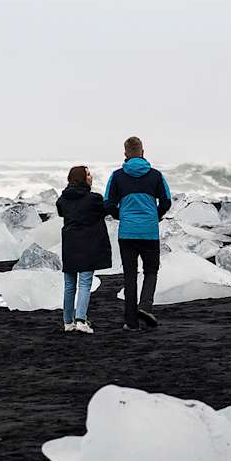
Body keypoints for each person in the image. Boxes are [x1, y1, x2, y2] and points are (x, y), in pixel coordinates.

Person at [104, 136, 171, 331]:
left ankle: (131, 323)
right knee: (151, 271)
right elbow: (166, 201)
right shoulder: (156, 176)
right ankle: (145, 306)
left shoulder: (117, 176)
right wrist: (155, 216)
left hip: (127, 233)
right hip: (149, 232)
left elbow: (108, 203)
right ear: (143, 152)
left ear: (125, 154)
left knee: (130, 275)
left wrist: (122, 216)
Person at [56, 165, 112, 333]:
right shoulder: (94, 199)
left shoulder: (62, 199)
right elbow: (106, 210)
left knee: (69, 284)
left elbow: (61, 212)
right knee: (85, 283)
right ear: (81, 178)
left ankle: (68, 322)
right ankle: (81, 320)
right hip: (88, 244)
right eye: (88, 174)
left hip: (70, 244)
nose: (91, 177)